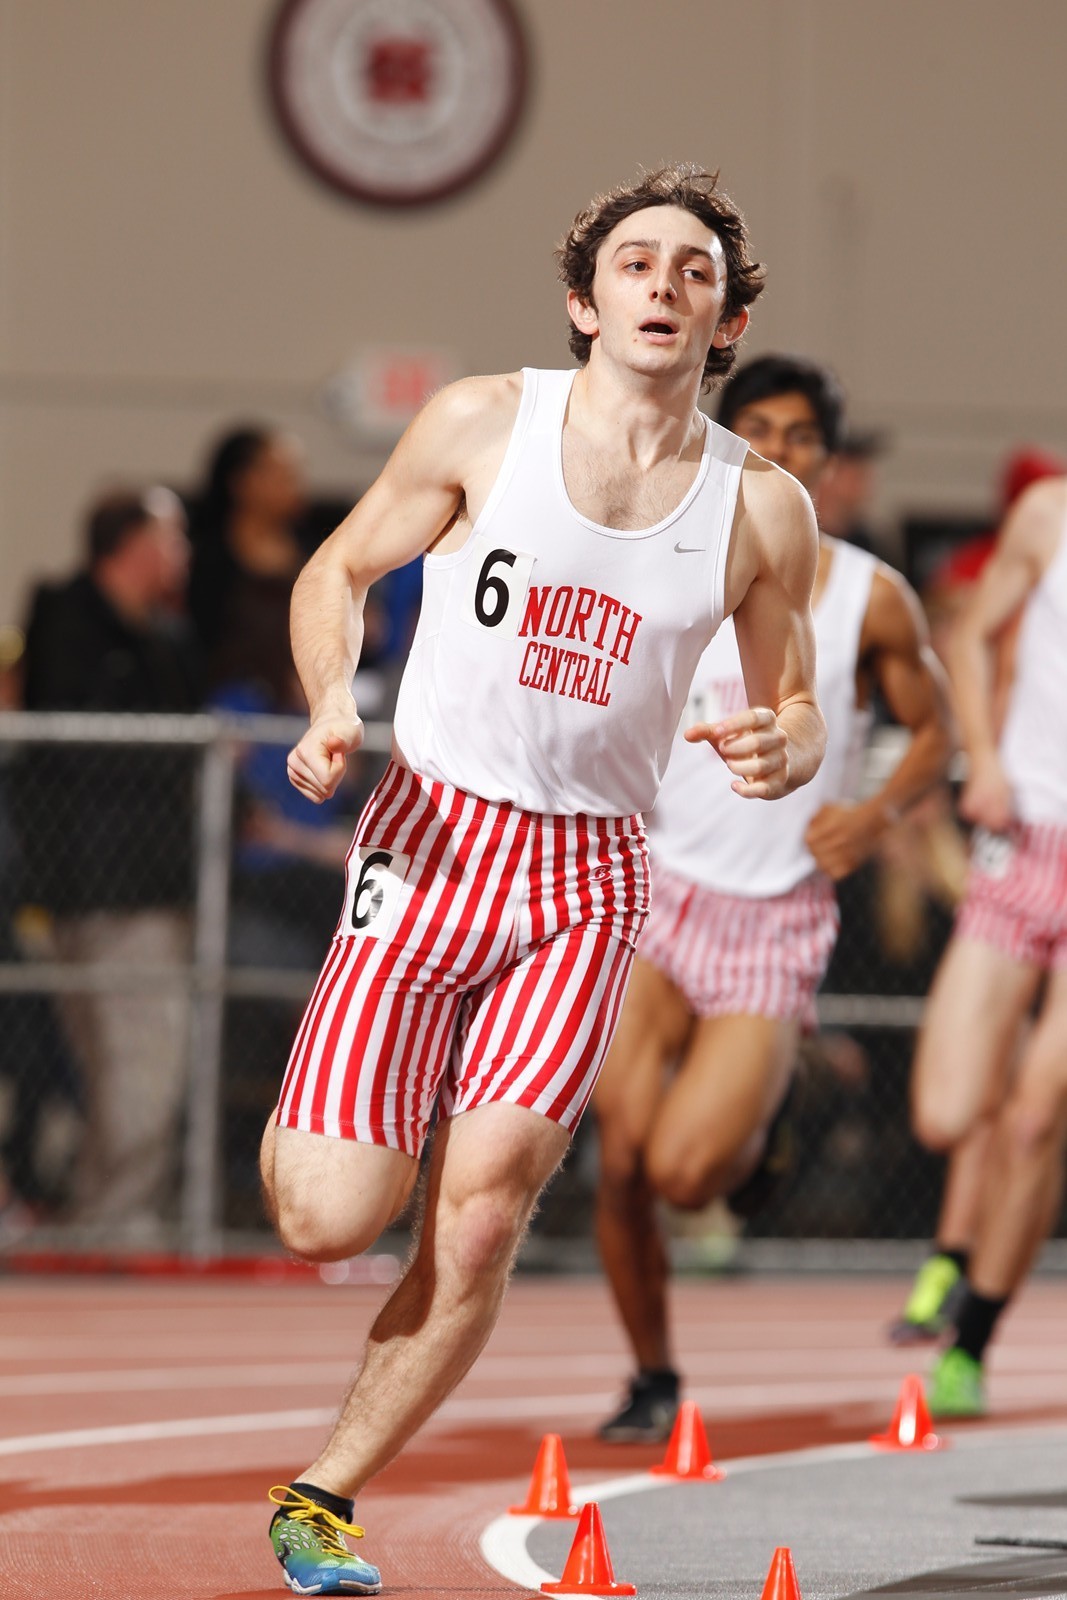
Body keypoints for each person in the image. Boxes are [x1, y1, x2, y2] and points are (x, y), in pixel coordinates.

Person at [260, 165, 827, 1596]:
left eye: (691, 271)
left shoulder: (758, 510)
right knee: (327, 1215)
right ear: (586, 301)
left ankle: (322, 1496)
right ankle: (331, 1100)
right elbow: (332, 573)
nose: (661, 284)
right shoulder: (481, 421)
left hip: (586, 875)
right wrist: (332, 701)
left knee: (488, 1203)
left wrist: (781, 744)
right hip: (436, 835)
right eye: (633, 263)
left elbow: (798, 702)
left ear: (722, 320)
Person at [592, 354, 951, 1442]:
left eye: (803, 437)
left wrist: (879, 814)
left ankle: (770, 1113)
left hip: (771, 913)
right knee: (617, 1156)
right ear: (721, 433)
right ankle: (650, 1371)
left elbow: (932, 729)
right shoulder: (664, 563)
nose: (781, 452)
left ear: (828, 463)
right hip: (655, 890)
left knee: (685, 1167)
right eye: (760, 428)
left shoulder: (866, 595)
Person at [907, 473, 1067, 1417]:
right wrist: (985, 760)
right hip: (1020, 837)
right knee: (946, 1109)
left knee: (1035, 1120)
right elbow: (966, 634)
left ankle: (970, 1342)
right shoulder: (1047, 512)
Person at [18, 488, 202, 1235]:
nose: (185, 554)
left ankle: (102, 1218)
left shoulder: (165, 634)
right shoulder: (70, 622)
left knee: (135, 1066)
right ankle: (114, 1221)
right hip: (96, 886)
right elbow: (82, 741)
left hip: (140, 885)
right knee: (128, 1066)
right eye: (174, 537)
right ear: (134, 545)